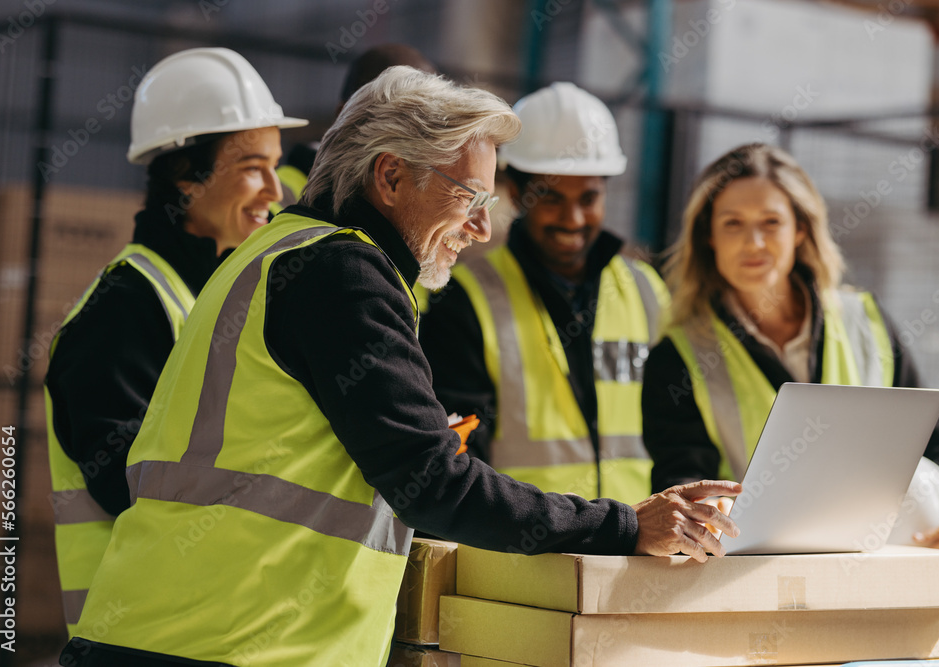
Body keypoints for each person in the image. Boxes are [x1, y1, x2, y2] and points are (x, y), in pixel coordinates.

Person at [61, 67, 740, 667]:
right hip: (227, 646)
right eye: (469, 198)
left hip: (195, 640)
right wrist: (624, 523)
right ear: (390, 176)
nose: (481, 228)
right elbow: (432, 484)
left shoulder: (282, 252)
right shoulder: (342, 270)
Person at [640, 142, 939, 655]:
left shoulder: (865, 319)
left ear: (800, 229)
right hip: (759, 591)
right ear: (708, 237)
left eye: (771, 222)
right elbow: (682, 483)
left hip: (880, 572)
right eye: (732, 223)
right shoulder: (680, 356)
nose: (753, 241)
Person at [44, 47, 305, 637]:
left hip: (206, 628)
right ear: (187, 177)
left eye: (275, 165)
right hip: (144, 635)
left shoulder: (213, 294)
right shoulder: (123, 310)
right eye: (251, 166)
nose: (274, 189)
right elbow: (131, 486)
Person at [420, 82, 670, 505]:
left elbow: (675, 429)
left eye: (588, 198)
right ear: (516, 193)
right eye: (552, 198)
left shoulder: (646, 289)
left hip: (638, 545)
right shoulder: (465, 298)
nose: (572, 219)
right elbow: (461, 455)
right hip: (524, 553)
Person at [270, 42, 437, 215]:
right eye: (396, 121)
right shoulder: (271, 201)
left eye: (426, 127)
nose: (412, 139)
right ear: (345, 116)